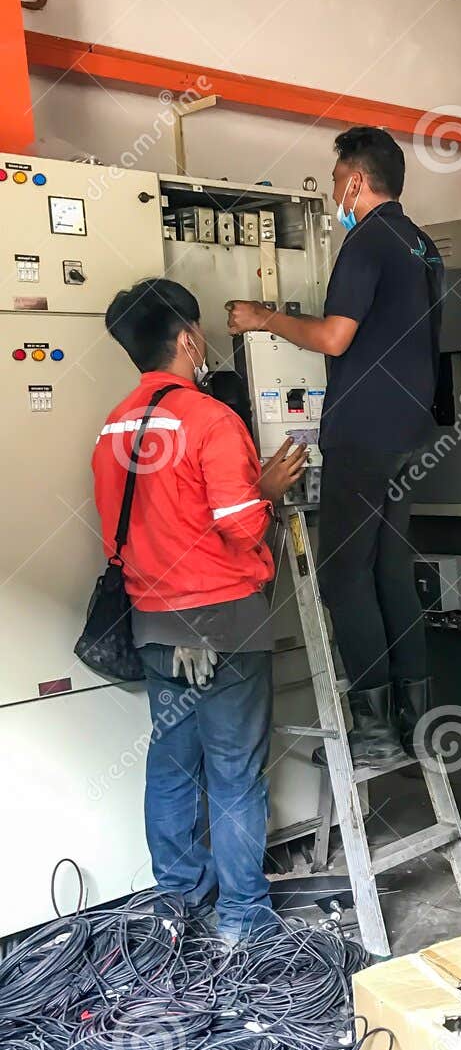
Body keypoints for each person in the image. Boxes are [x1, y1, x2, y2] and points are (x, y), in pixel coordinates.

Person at [93, 279, 308, 944]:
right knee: (235, 775)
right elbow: (241, 530)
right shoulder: (211, 420)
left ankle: (176, 910)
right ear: (188, 338)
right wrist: (266, 489)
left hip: (155, 623)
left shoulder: (114, 427)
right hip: (226, 624)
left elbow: (119, 533)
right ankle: (243, 920)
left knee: (173, 765)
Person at [227, 126, 440, 766]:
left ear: (354, 178)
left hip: (363, 435)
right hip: (409, 435)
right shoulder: (422, 244)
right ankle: (416, 720)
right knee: (390, 573)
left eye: (336, 178)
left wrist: (263, 319)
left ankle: (373, 732)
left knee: (344, 576)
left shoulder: (366, 240)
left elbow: (335, 337)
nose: (333, 193)